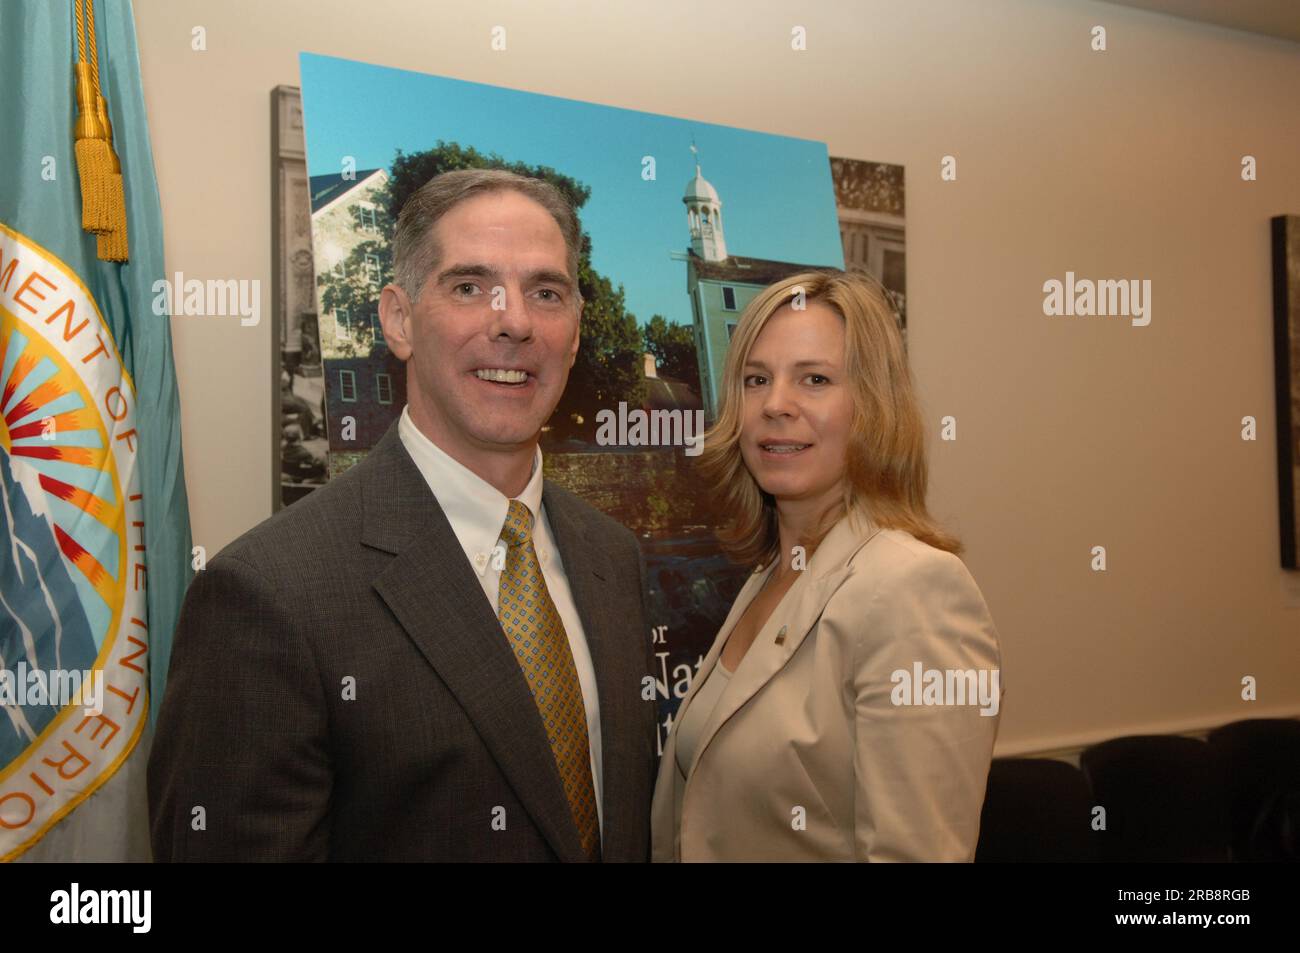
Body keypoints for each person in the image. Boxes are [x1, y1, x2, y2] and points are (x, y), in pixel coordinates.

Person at [149, 169, 657, 862]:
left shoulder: (613, 557)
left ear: (573, 331)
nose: (513, 321)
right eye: (470, 286)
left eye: (546, 291)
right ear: (398, 318)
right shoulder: (267, 595)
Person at [650, 270, 1004, 862]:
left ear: (872, 406)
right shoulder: (772, 575)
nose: (775, 405)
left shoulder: (915, 589)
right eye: (756, 379)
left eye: (814, 379)